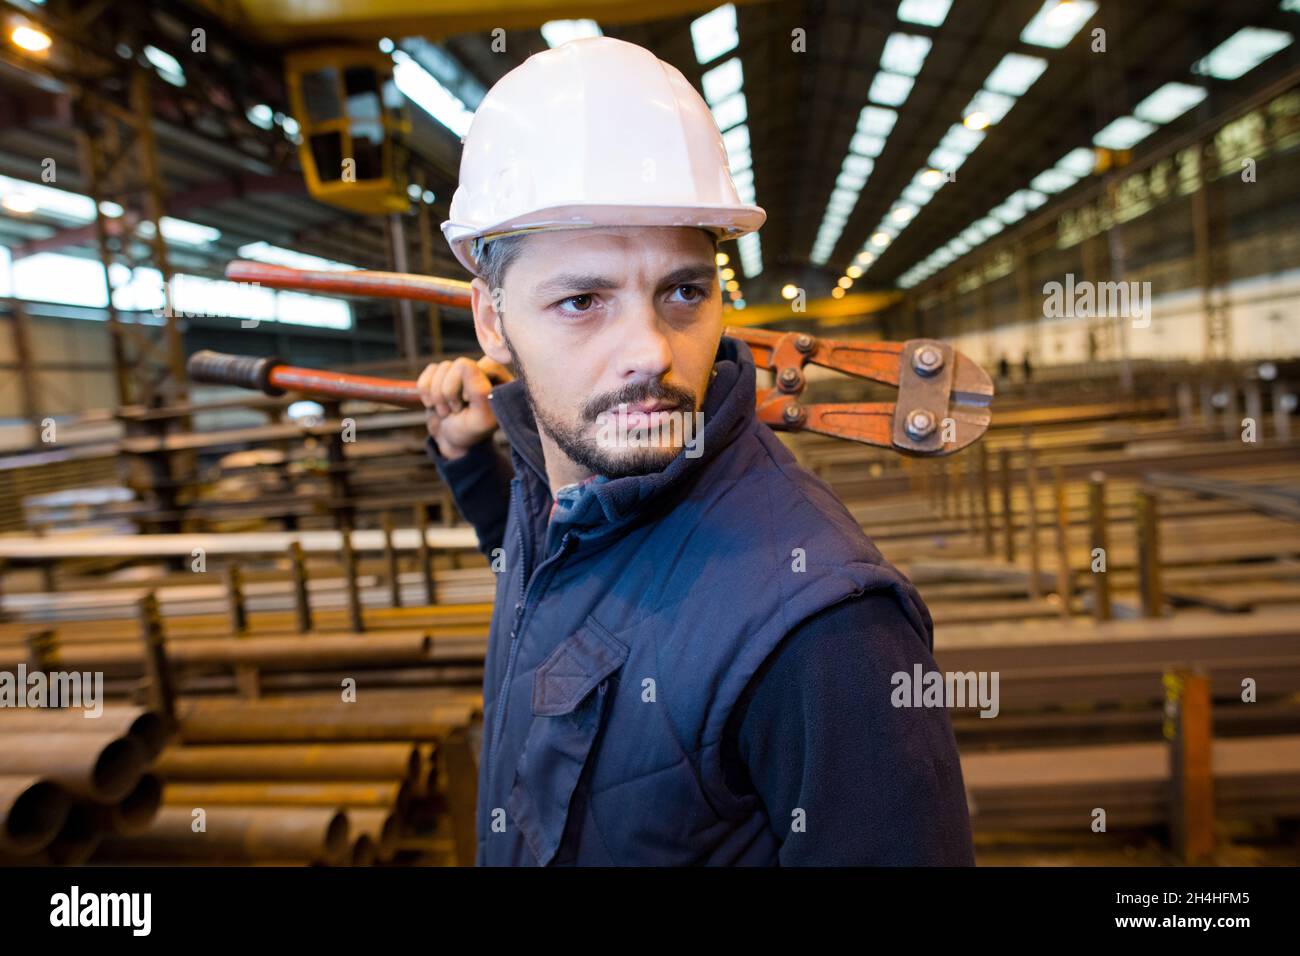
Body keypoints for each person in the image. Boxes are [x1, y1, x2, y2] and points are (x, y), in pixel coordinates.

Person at [418, 36, 973, 866]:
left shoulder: (827, 632)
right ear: (492, 319)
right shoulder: (568, 484)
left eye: (684, 290)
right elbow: (561, 575)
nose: (650, 350)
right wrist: (467, 460)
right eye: (582, 301)